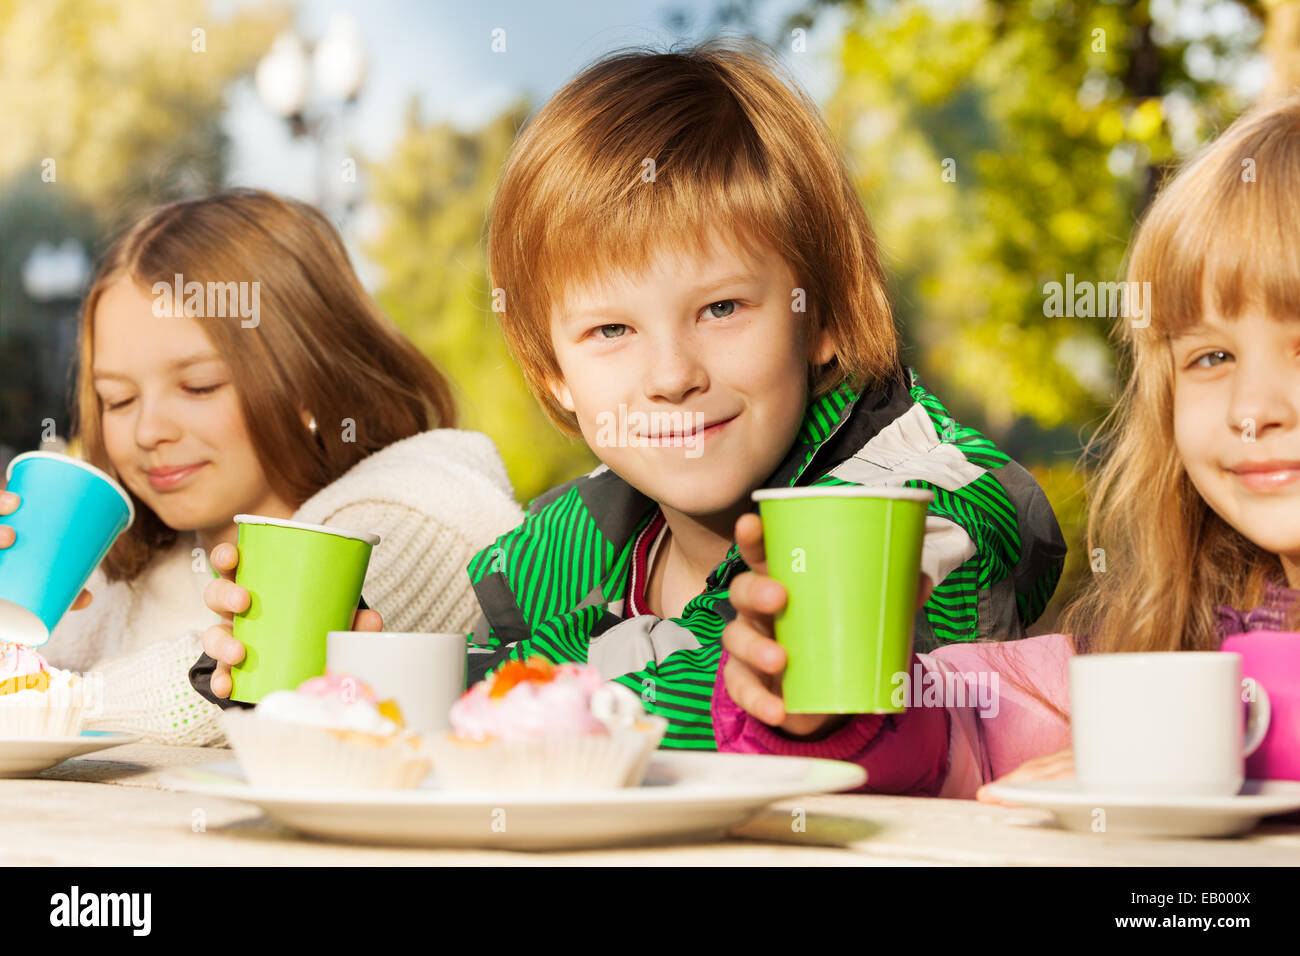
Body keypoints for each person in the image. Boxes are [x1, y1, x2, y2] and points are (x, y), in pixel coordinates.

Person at [448, 37, 1066, 751]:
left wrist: (527, 690)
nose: (672, 376)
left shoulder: (925, 502)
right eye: (613, 329)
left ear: (823, 314)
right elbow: (453, 693)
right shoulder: (573, 539)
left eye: (721, 309)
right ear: (553, 368)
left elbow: (783, 704)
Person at [715, 93, 1300, 794]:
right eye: (1211, 357)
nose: (1252, 412)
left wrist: (1196, 755)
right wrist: (828, 712)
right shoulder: (1161, 645)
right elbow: (969, 733)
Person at [0, 189, 524, 744]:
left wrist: (45, 702)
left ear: (306, 382)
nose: (149, 431)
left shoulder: (424, 509)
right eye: (118, 399)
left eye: (198, 386)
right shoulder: (123, 573)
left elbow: (259, 680)